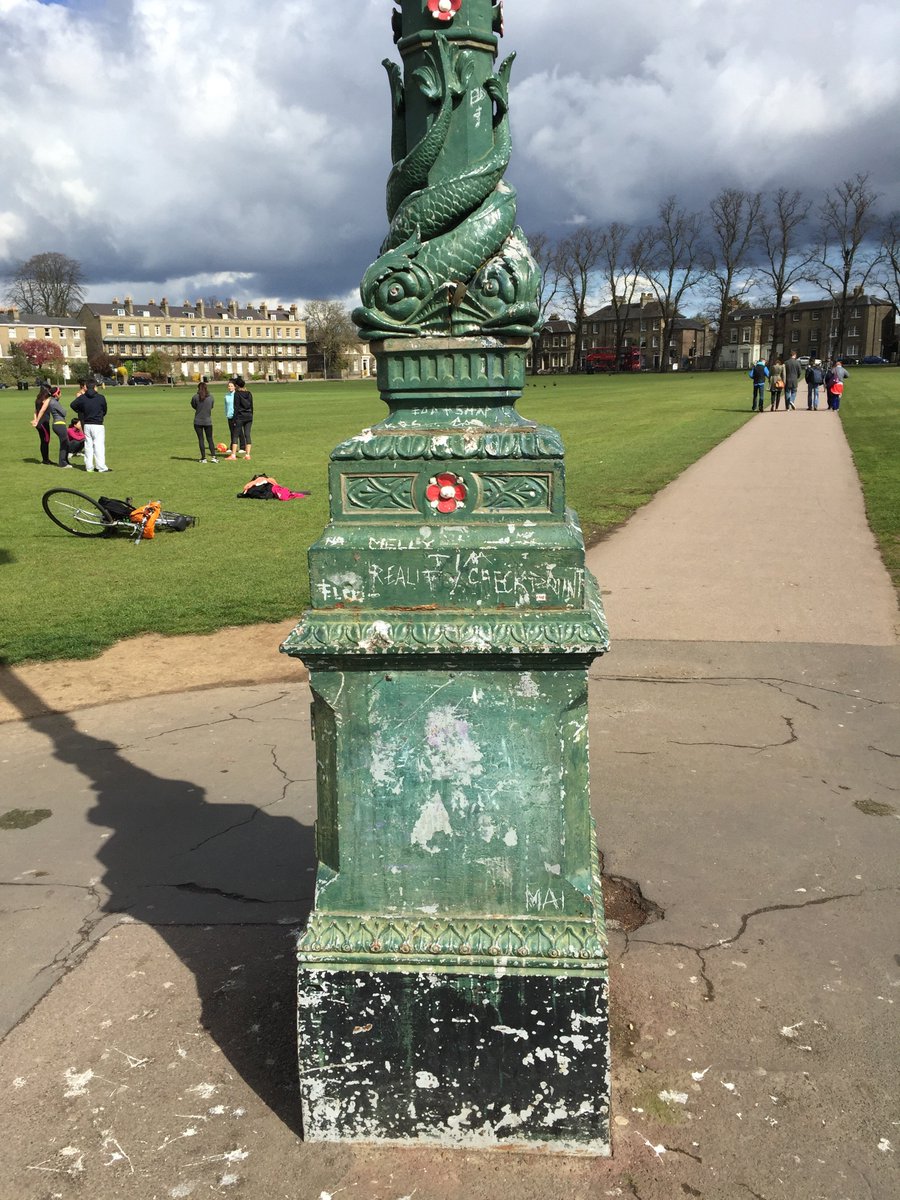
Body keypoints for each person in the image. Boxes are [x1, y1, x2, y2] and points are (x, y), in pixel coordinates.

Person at [71, 376, 110, 472]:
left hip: (87, 424)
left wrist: (81, 411)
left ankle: (89, 467)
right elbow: (105, 410)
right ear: (95, 387)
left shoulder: (82, 398)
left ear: (86, 387)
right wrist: (100, 415)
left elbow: (73, 405)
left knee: (88, 446)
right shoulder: (101, 398)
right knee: (98, 446)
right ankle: (101, 467)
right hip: (98, 424)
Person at [225, 376, 253, 461]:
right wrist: (251, 415)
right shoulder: (249, 393)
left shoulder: (237, 394)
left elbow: (236, 407)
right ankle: (247, 455)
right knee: (247, 434)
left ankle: (233, 455)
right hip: (249, 416)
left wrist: (234, 419)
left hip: (240, 417)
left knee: (235, 435)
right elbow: (251, 406)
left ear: (237, 386)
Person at [190, 380, 217, 463]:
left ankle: (203, 458)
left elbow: (193, 405)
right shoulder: (210, 397)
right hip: (207, 421)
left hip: (198, 421)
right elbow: (211, 406)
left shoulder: (195, 397)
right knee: (210, 439)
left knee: (201, 439)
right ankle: (214, 457)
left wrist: (199, 409)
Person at [31, 383, 54, 464]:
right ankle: (45, 460)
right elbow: (41, 411)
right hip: (43, 422)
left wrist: (35, 420)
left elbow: (35, 411)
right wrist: (37, 420)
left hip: (39, 423)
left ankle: (45, 459)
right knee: (46, 441)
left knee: (43, 441)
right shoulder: (45, 400)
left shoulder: (38, 399)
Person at [223, 380, 246, 456]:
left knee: (239, 431)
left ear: (235, 387)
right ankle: (232, 447)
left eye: (231, 386)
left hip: (237, 415)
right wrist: (227, 414)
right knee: (232, 432)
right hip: (229, 416)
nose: (230, 387)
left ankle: (242, 447)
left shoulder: (237, 394)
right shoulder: (226, 395)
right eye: (229, 386)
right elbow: (226, 406)